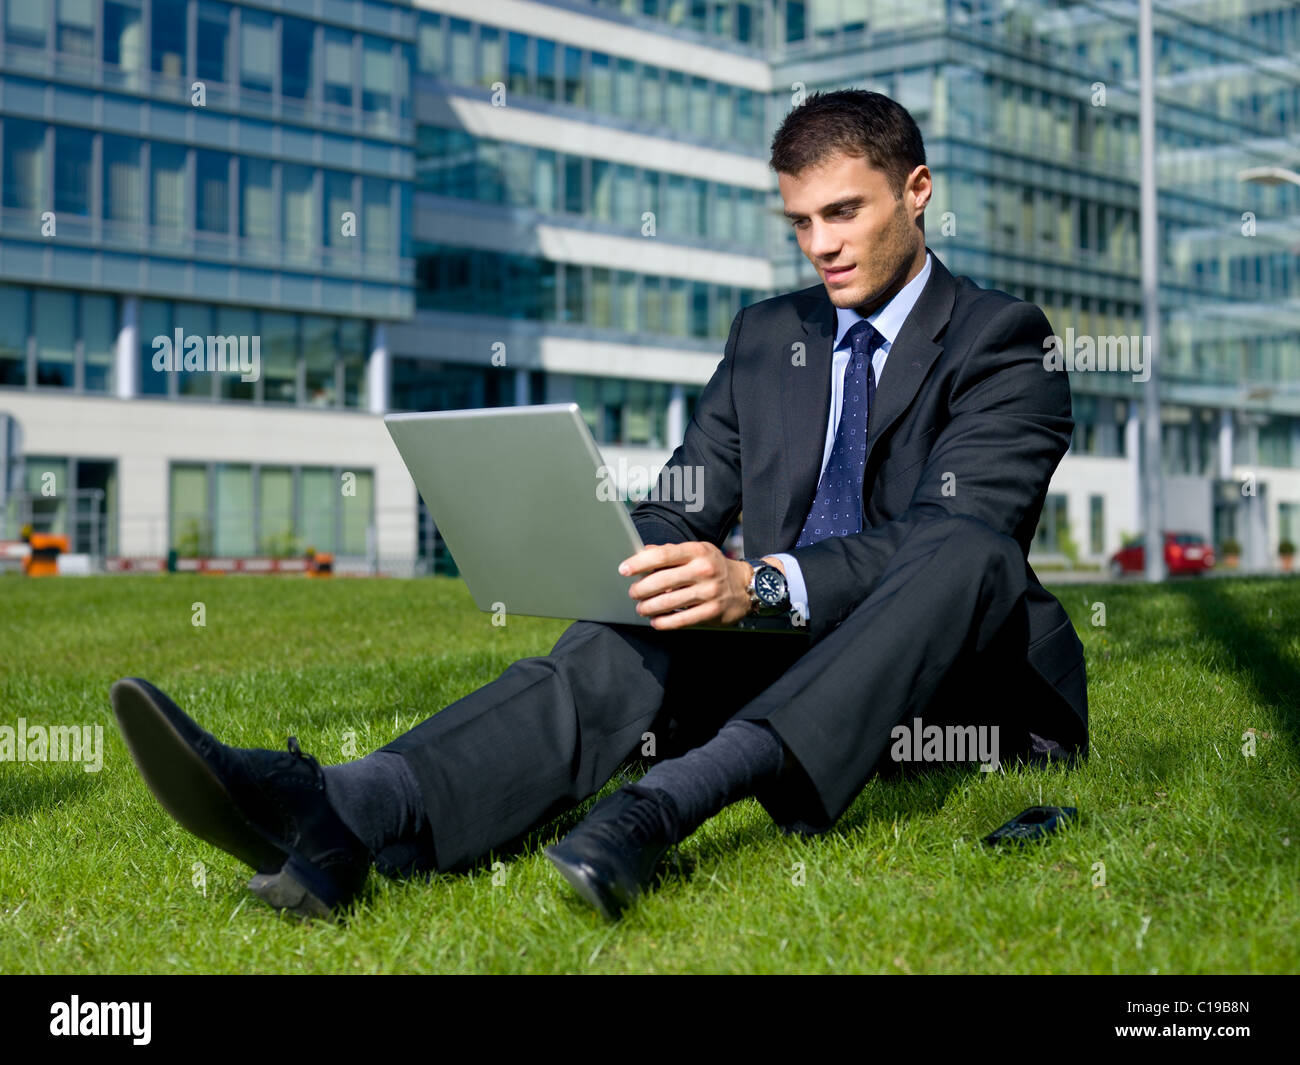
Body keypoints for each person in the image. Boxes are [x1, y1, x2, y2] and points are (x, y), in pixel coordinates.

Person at [111, 89, 1087, 923]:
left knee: (966, 551)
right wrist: (620, 555)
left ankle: (663, 807)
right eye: (799, 222)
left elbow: (960, 538)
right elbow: (685, 500)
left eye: (843, 213)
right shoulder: (766, 338)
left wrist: (761, 585)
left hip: (959, 690)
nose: (820, 247)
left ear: (917, 193)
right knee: (643, 613)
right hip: (791, 657)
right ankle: (342, 812)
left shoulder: (1003, 339)